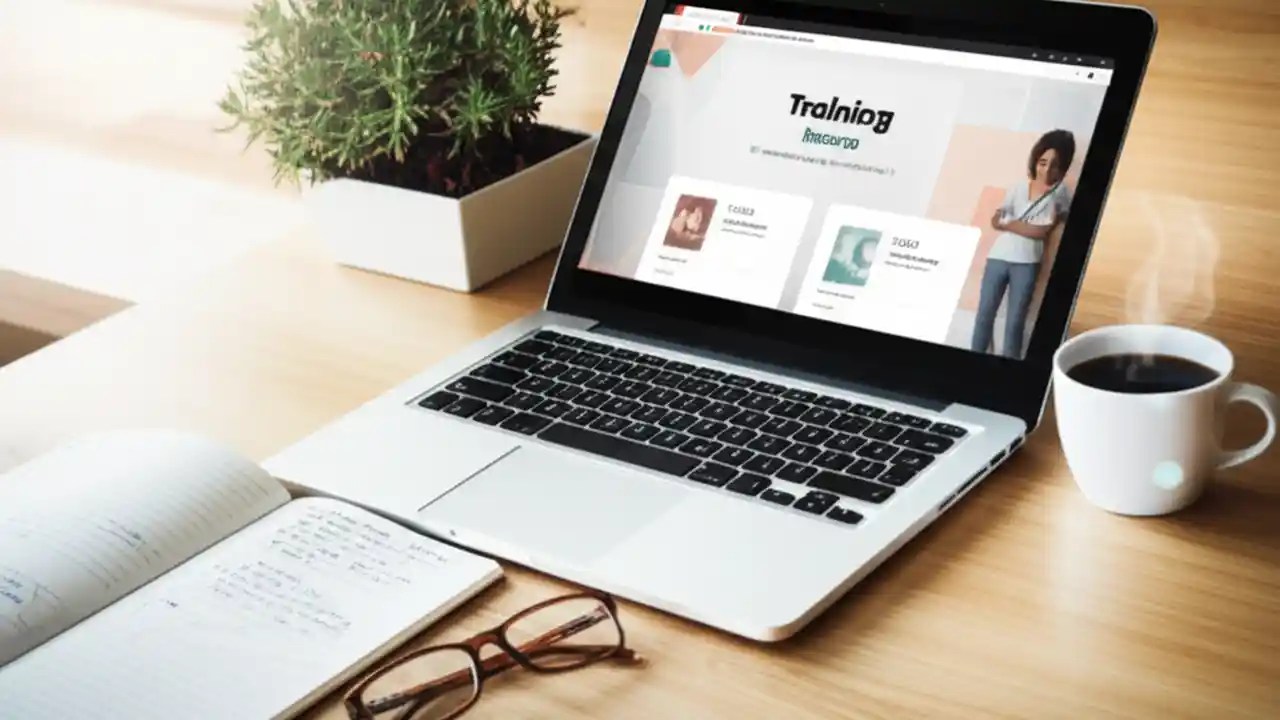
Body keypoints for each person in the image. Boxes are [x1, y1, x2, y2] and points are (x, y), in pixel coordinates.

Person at [970, 129, 1075, 358]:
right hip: (998, 257)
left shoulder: (1061, 193)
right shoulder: (1017, 187)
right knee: (984, 315)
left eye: (1055, 165)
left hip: (1027, 263)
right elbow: (996, 220)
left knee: (1015, 322)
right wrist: (1021, 226)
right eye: (1043, 162)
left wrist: (1011, 223)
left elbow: (1041, 231)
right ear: (1035, 160)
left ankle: (1008, 371)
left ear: (1063, 168)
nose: (1046, 170)